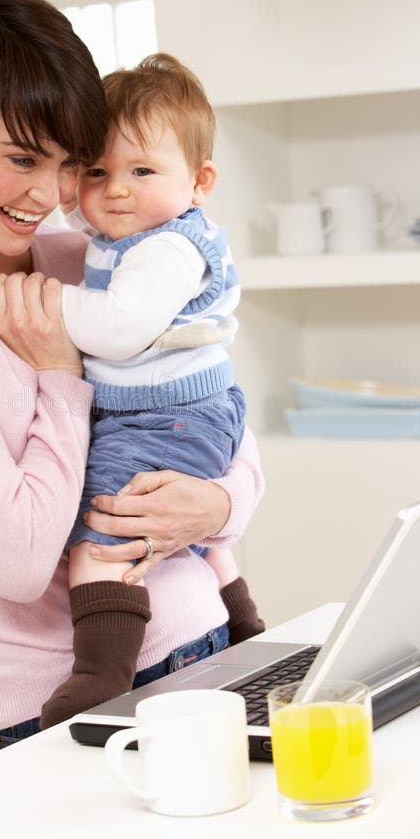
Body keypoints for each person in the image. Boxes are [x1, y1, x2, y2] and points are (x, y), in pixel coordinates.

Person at [0, 0, 265, 763]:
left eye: (71, 163)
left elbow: (220, 420)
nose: (53, 195)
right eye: (22, 159)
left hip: (201, 654)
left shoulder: (79, 259)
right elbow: (18, 560)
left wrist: (217, 506)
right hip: (55, 710)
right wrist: (62, 379)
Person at [40, 54, 264, 729]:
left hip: (166, 416)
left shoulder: (168, 248)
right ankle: (243, 619)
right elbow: (81, 218)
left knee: (105, 524)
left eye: (141, 171)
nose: (115, 191)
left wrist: (52, 304)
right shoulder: (126, 234)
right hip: (185, 413)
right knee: (185, 525)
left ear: (199, 183)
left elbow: (118, 329)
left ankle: (100, 672)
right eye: (96, 171)